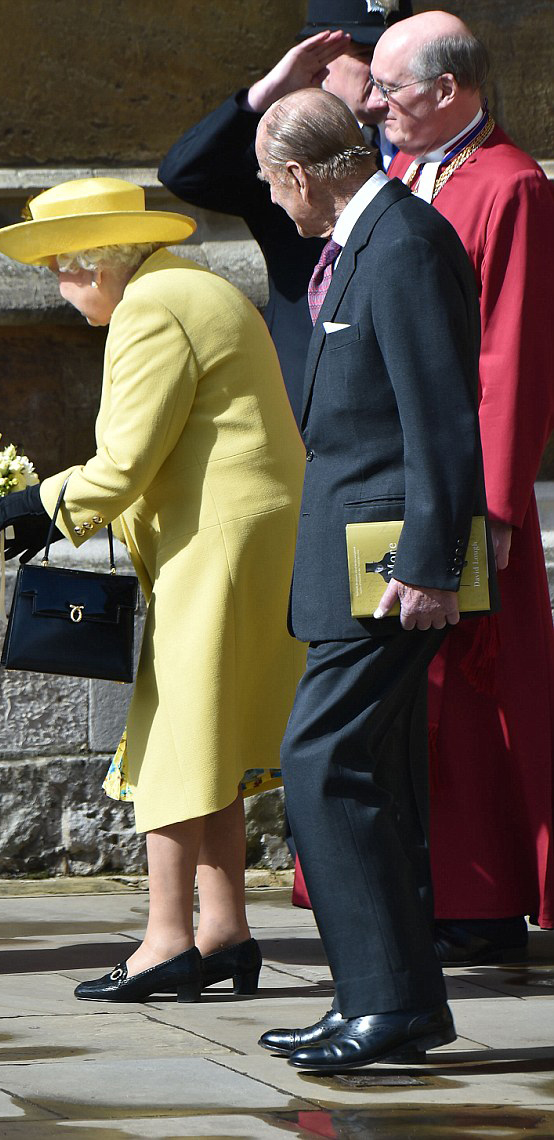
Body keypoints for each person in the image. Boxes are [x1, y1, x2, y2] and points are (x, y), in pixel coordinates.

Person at [0, 177, 306, 1003]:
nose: (57, 285)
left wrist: (28, 511)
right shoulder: (192, 286)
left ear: (95, 264)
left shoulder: (150, 308)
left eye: (59, 268)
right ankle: (224, 930)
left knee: (171, 742)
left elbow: (125, 464)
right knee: (215, 739)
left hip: (219, 546)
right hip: (245, 537)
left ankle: (166, 942)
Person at [253, 89, 485, 1070]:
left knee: (319, 766)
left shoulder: (400, 241)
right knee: (372, 779)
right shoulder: (359, 241)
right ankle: (386, 1002)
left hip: (388, 568)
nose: (272, 202)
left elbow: (439, 412)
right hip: (357, 564)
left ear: (301, 174)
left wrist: (431, 563)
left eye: (272, 184)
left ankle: (384, 1002)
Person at [363, 10, 554, 962]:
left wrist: (496, 503)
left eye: (390, 89)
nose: (372, 104)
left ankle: (479, 898)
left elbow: (513, 352)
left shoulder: (511, 184)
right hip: (393, 478)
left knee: (475, 699)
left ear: (447, 91)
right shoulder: (401, 171)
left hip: (469, 492)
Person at [159, 0, 412, 419]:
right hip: (307, 394)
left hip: (397, 393)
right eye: (367, 57)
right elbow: (184, 173)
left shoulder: (425, 149)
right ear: (320, 57)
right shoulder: (286, 156)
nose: (383, 73)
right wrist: (265, 94)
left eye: (392, 56)